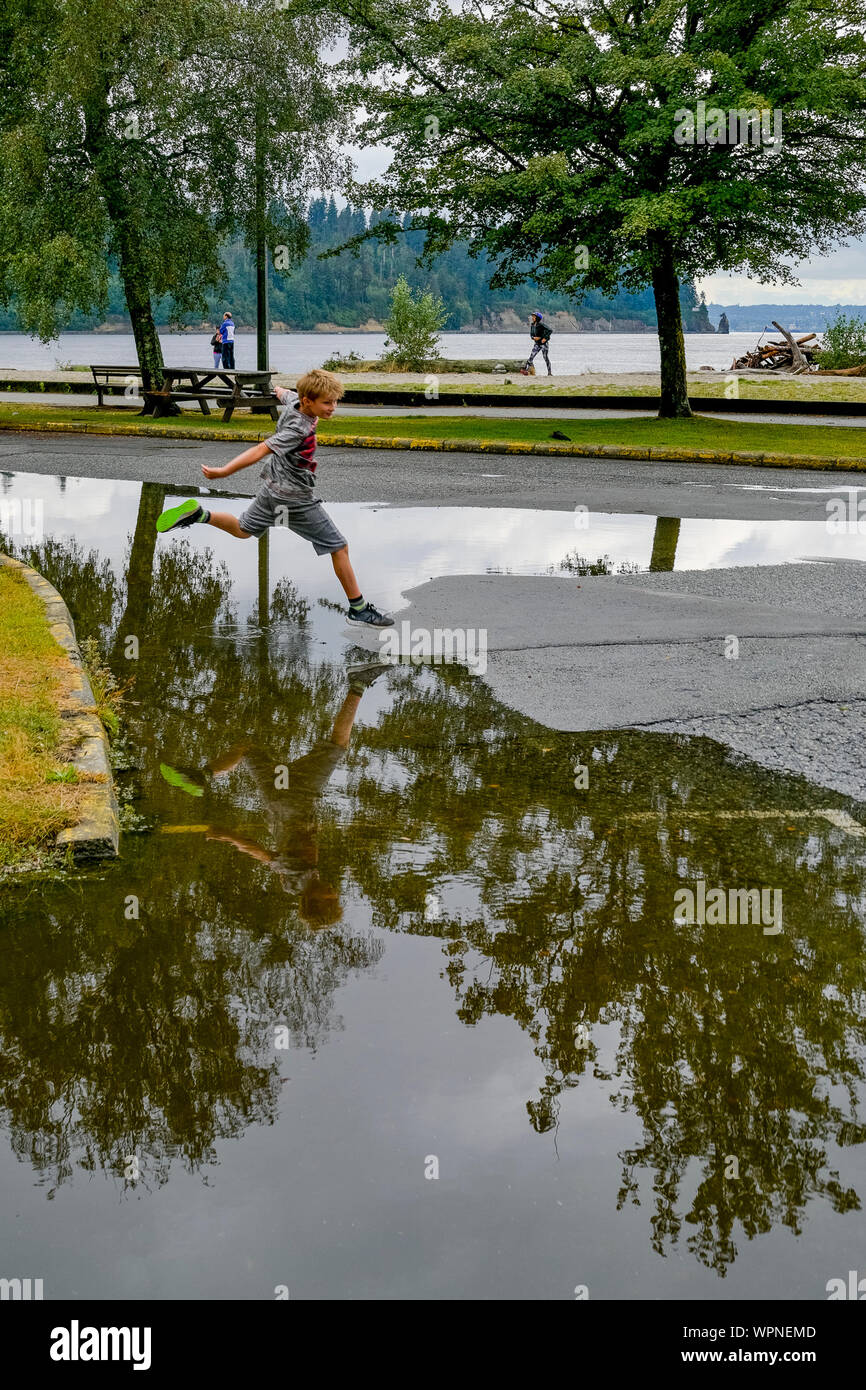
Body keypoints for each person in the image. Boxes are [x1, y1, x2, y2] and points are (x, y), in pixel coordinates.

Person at [154, 367, 394, 629]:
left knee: (243, 530)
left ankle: (200, 514)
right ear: (308, 401)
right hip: (293, 498)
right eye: (327, 402)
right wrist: (225, 471)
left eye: (335, 401)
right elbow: (260, 449)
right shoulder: (298, 429)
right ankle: (358, 609)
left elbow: (285, 394)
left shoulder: (295, 401)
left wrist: (277, 389)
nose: (333, 407)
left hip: (271, 489)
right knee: (339, 546)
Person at [159, 663, 389, 926]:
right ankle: (204, 775)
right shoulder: (297, 883)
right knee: (246, 749)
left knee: (337, 745)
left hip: (298, 797)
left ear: (316, 901)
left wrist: (227, 836)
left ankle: (358, 683)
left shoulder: (299, 878)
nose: (335, 894)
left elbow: (262, 854)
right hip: (276, 800)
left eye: (331, 900)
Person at [522, 310, 553, 375]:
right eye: (532, 316)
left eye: (534, 316)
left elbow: (550, 330)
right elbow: (531, 335)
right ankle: (526, 371)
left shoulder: (541, 325)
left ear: (537, 318)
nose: (532, 318)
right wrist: (533, 338)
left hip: (544, 344)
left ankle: (549, 373)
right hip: (537, 344)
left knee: (545, 358)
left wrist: (544, 338)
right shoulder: (532, 325)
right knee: (531, 357)